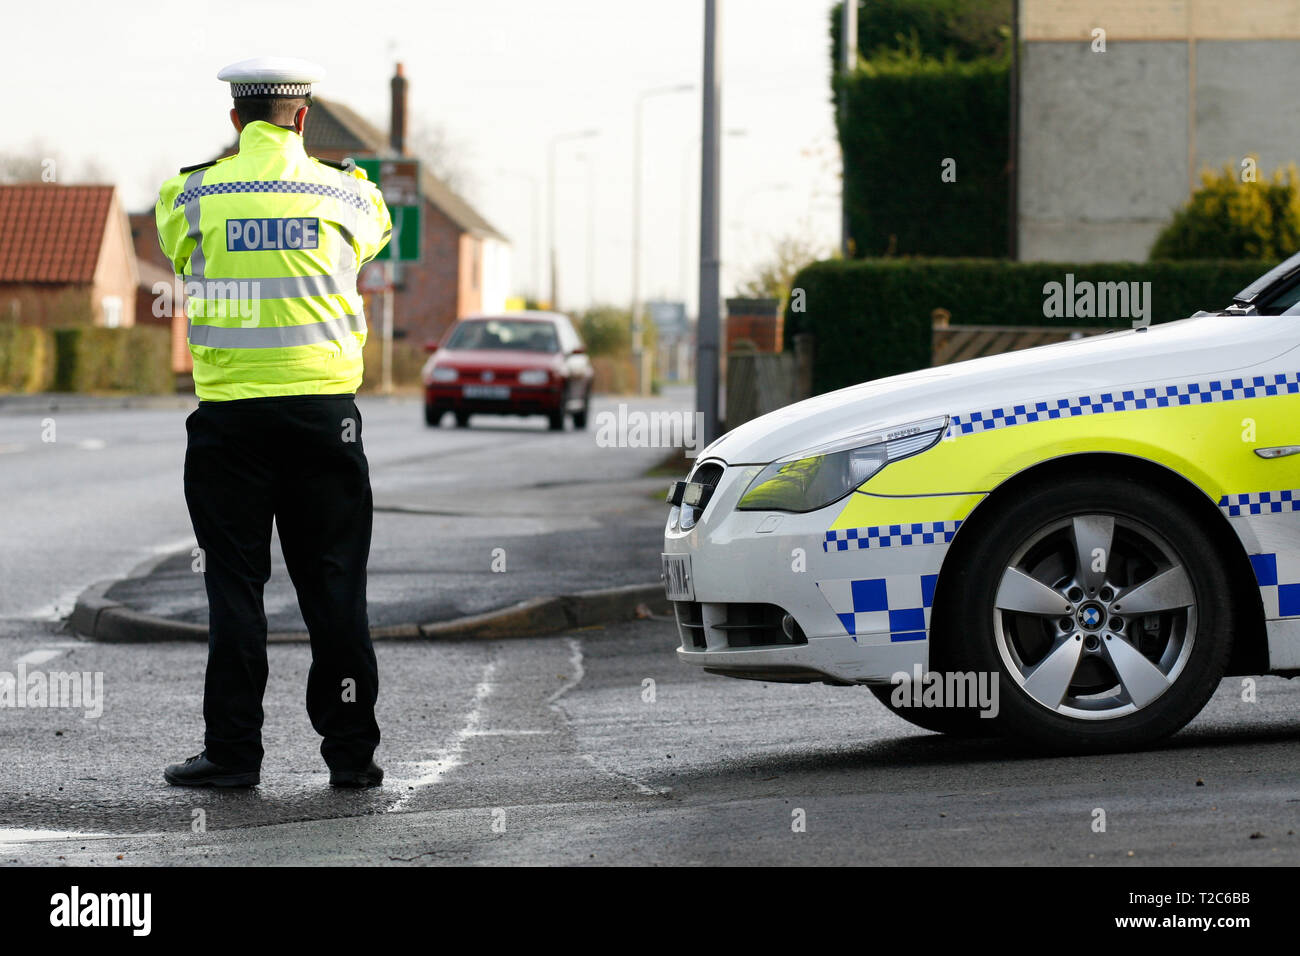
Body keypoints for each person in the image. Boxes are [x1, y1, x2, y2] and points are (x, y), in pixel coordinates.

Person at [155, 57, 392, 788]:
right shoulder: (349, 194)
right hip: (327, 424)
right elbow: (376, 233)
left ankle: (232, 755)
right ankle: (352, 757)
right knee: (334, 590)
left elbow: (175, 248)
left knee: (234, 590)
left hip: (231, 425)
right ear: (301, 116)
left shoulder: (190, 194)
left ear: (235, 119)